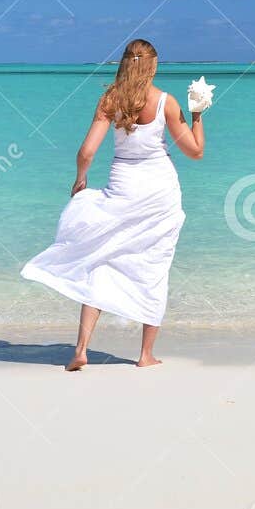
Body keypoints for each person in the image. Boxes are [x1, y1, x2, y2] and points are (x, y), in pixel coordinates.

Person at [21, 39, 205, 368]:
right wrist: (197, 114)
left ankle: (81, 349)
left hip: (122, 189)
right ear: (153, 66)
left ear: (124, 63)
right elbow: (195, 152)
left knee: (100, 260)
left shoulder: (110, 99)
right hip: (160, 194)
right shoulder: (166, 102)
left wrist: (80, 179)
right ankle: (145, 355)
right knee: (154, 267)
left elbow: (87, 152)